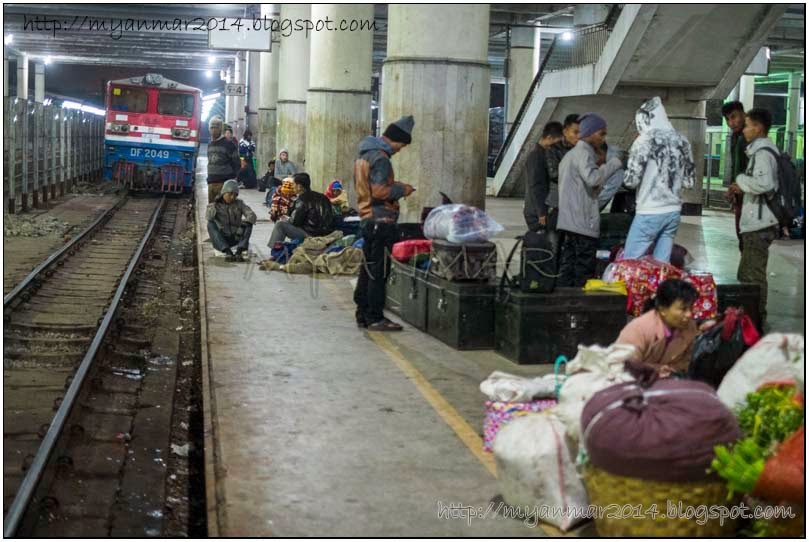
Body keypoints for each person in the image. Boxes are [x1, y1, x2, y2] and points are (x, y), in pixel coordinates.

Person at [353, 115, 416, 331]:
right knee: (379, 271)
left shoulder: (364, 155)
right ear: (394, 140)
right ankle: (375, 317)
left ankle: (362, 313)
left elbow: (370, 187)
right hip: (381, 219)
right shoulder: (381, 159)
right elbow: (379, 191)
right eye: (401, 145)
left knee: (367, 269)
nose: (400, 149)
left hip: (366, 217)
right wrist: (403, 189)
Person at [621, 97, 696, 263]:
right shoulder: (683, 140)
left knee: (630, 264)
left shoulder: (643, 141)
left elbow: (630, 181)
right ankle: (658, 289)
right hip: (674, 211)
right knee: (661, 265)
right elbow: (689, 182)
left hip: (649, 211)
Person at [556, 113, 623, 287]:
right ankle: (579, 305)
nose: (603, 138)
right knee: (583, 269)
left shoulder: (572, 154)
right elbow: (593, 179)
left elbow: (588, 185)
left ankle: (565, 302)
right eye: (601, 133)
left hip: (570, 221)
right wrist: (614, 164)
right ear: (590, 133)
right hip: (582, 222)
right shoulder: (583, 152)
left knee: (568, 265)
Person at [727, 108, 780, 328]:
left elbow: (765, 184)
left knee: (753, 276)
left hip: (760, 223)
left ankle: (756, 320)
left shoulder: (763, 154)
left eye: (747, 125)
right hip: (757, 221)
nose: (744, 129)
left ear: (758, 128)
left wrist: (741, 181)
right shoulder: (760, 151)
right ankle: (751, 317)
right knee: (747, 273)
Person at [616, 279, 699, 378]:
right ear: (663, 309)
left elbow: (684, 365)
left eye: (691, 308)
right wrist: (656, 369)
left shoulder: (690, 328)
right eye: (683, 309)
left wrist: (666, 371)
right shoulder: (639, 329)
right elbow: (623, 367)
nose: (689, 314)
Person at [267, 173, 335, 247]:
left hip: (311, 235)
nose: (292, 187)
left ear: (299, 186)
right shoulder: (323, 197)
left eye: (293, 184)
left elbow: (295, 221)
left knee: (280, 225)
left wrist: (287, 218)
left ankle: (275, 252)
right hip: (326, 232)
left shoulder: (302, 200)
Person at [524, 121, 563, 232]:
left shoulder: (544, 154)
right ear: (549, 138)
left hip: (540, 209)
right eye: (557, 142)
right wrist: (541, 212)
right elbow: (536, 186)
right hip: (537, 213)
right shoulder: (537, 156)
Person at [544, 113, 581, 231]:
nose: (579, 136)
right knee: (554, 242)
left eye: (581, 132)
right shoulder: (553, 149)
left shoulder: (584, 149)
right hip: (557, 204)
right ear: (565, 131)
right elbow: (554, 174)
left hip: (577, 205)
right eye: (575, 132)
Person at [206, 179, 257, 262]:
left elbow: (252, 215)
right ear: (223, 193)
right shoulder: (215, 205)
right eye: (230, 194)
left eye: (235, 195)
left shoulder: (239, 204)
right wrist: (214, 205)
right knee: (210, 224)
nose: (232, 197)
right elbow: (209, 217)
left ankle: (239, 252)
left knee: (249, 224)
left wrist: (244, 224)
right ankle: (227, 252)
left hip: (236, 237)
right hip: (222, 239)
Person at [721, 101, 748, 251]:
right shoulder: (734, 137)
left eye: (734, 117)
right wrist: (732, 187)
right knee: (741, 233)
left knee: (747, 237)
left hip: (751, 195)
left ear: (743, 115)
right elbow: (736, 166)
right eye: (728, 119)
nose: (731, 123)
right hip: (739, 194)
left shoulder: (750, 136)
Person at [206, 116, 241, 204]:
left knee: (224, 210)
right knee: (212, 209)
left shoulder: (229, 144)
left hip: (225, 184)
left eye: (216, 128)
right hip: (211, 182)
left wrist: (232, 178)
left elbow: (237, 163)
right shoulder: (210, 144)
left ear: (221, 129)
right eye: (211, 127)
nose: (213, 130)